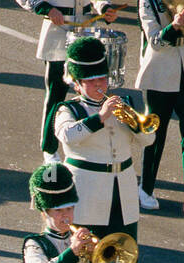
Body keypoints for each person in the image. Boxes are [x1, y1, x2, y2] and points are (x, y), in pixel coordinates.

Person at [54, 36, 156, 263]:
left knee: (126, 257)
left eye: (102, 77)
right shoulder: (68, 109)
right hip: (86, 192)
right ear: (77, 83)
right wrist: (100, 118)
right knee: (84, 257)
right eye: (92, 80)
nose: (100, 84)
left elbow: (148, 140)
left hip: (122, 191)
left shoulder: (126, 105)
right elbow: (68, 137)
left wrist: (134, 122)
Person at [136, 0, 184, 221]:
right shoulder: (147, 2)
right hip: (158, 76)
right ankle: (145, 189)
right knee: (154, 137)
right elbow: (155, 42)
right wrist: (175, 25)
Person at [17, 0, 119, 162]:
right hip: (57, 32)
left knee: (93, 94)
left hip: (85, 31)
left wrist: (105, 8)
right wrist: (47, 9)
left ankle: (92, 147)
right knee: (56, 94)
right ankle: (49, 149)